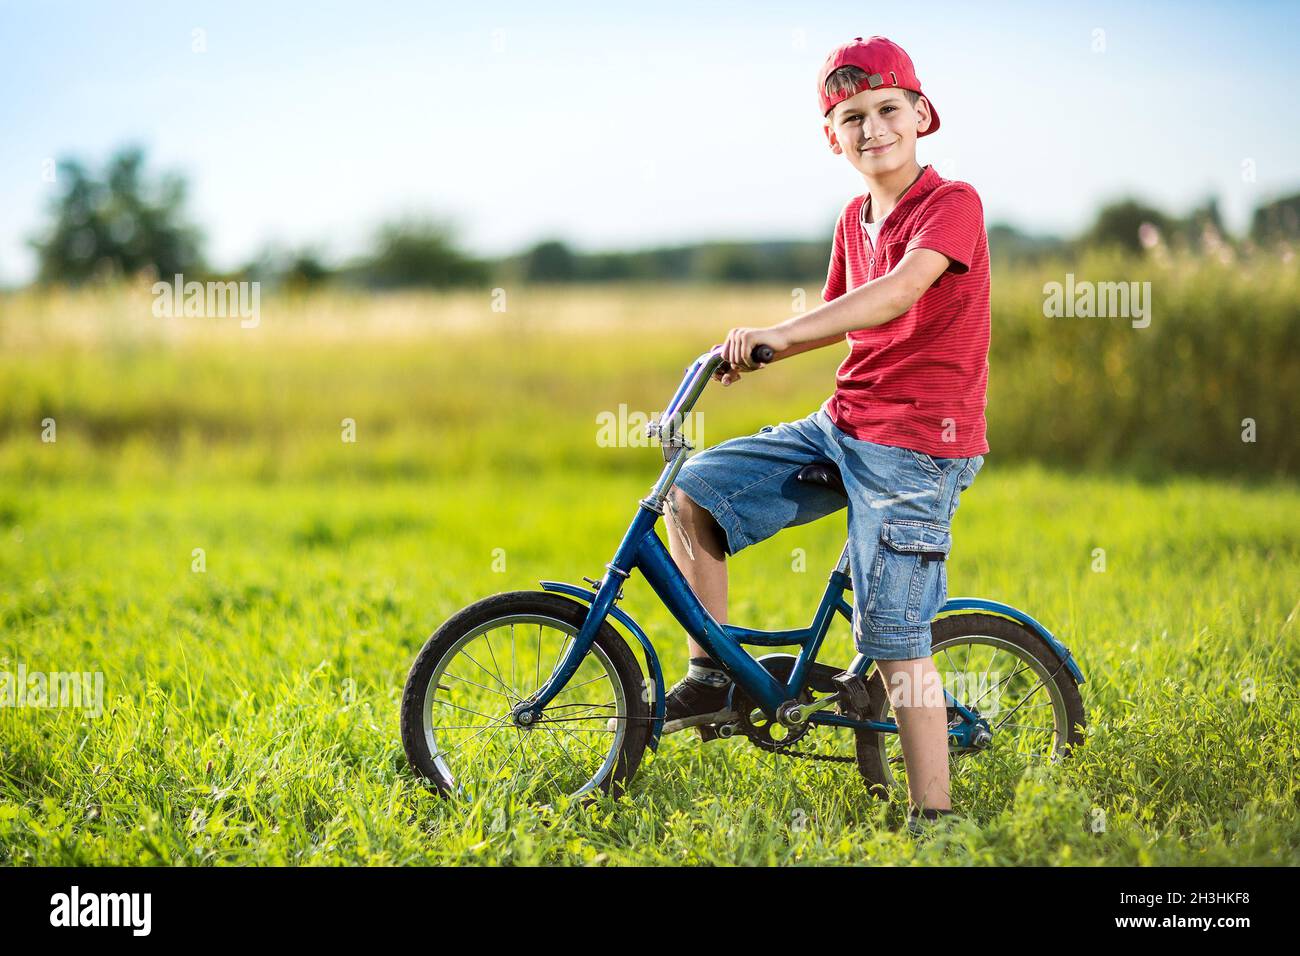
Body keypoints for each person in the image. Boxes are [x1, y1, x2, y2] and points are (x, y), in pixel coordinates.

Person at [664, 36, 990, 832]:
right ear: (832, 136)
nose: (872, 128)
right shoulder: (853, 216)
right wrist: (759, 354)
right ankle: (711, 675)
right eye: (852, 117)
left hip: (916, 448)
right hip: (842, 426)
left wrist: (775, 328)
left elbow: (896, 295)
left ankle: (935, 821)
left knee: (894, 636)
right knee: (692, 491)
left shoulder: (954, 204)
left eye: (886, 110)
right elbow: (838, 318)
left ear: (920, 114)